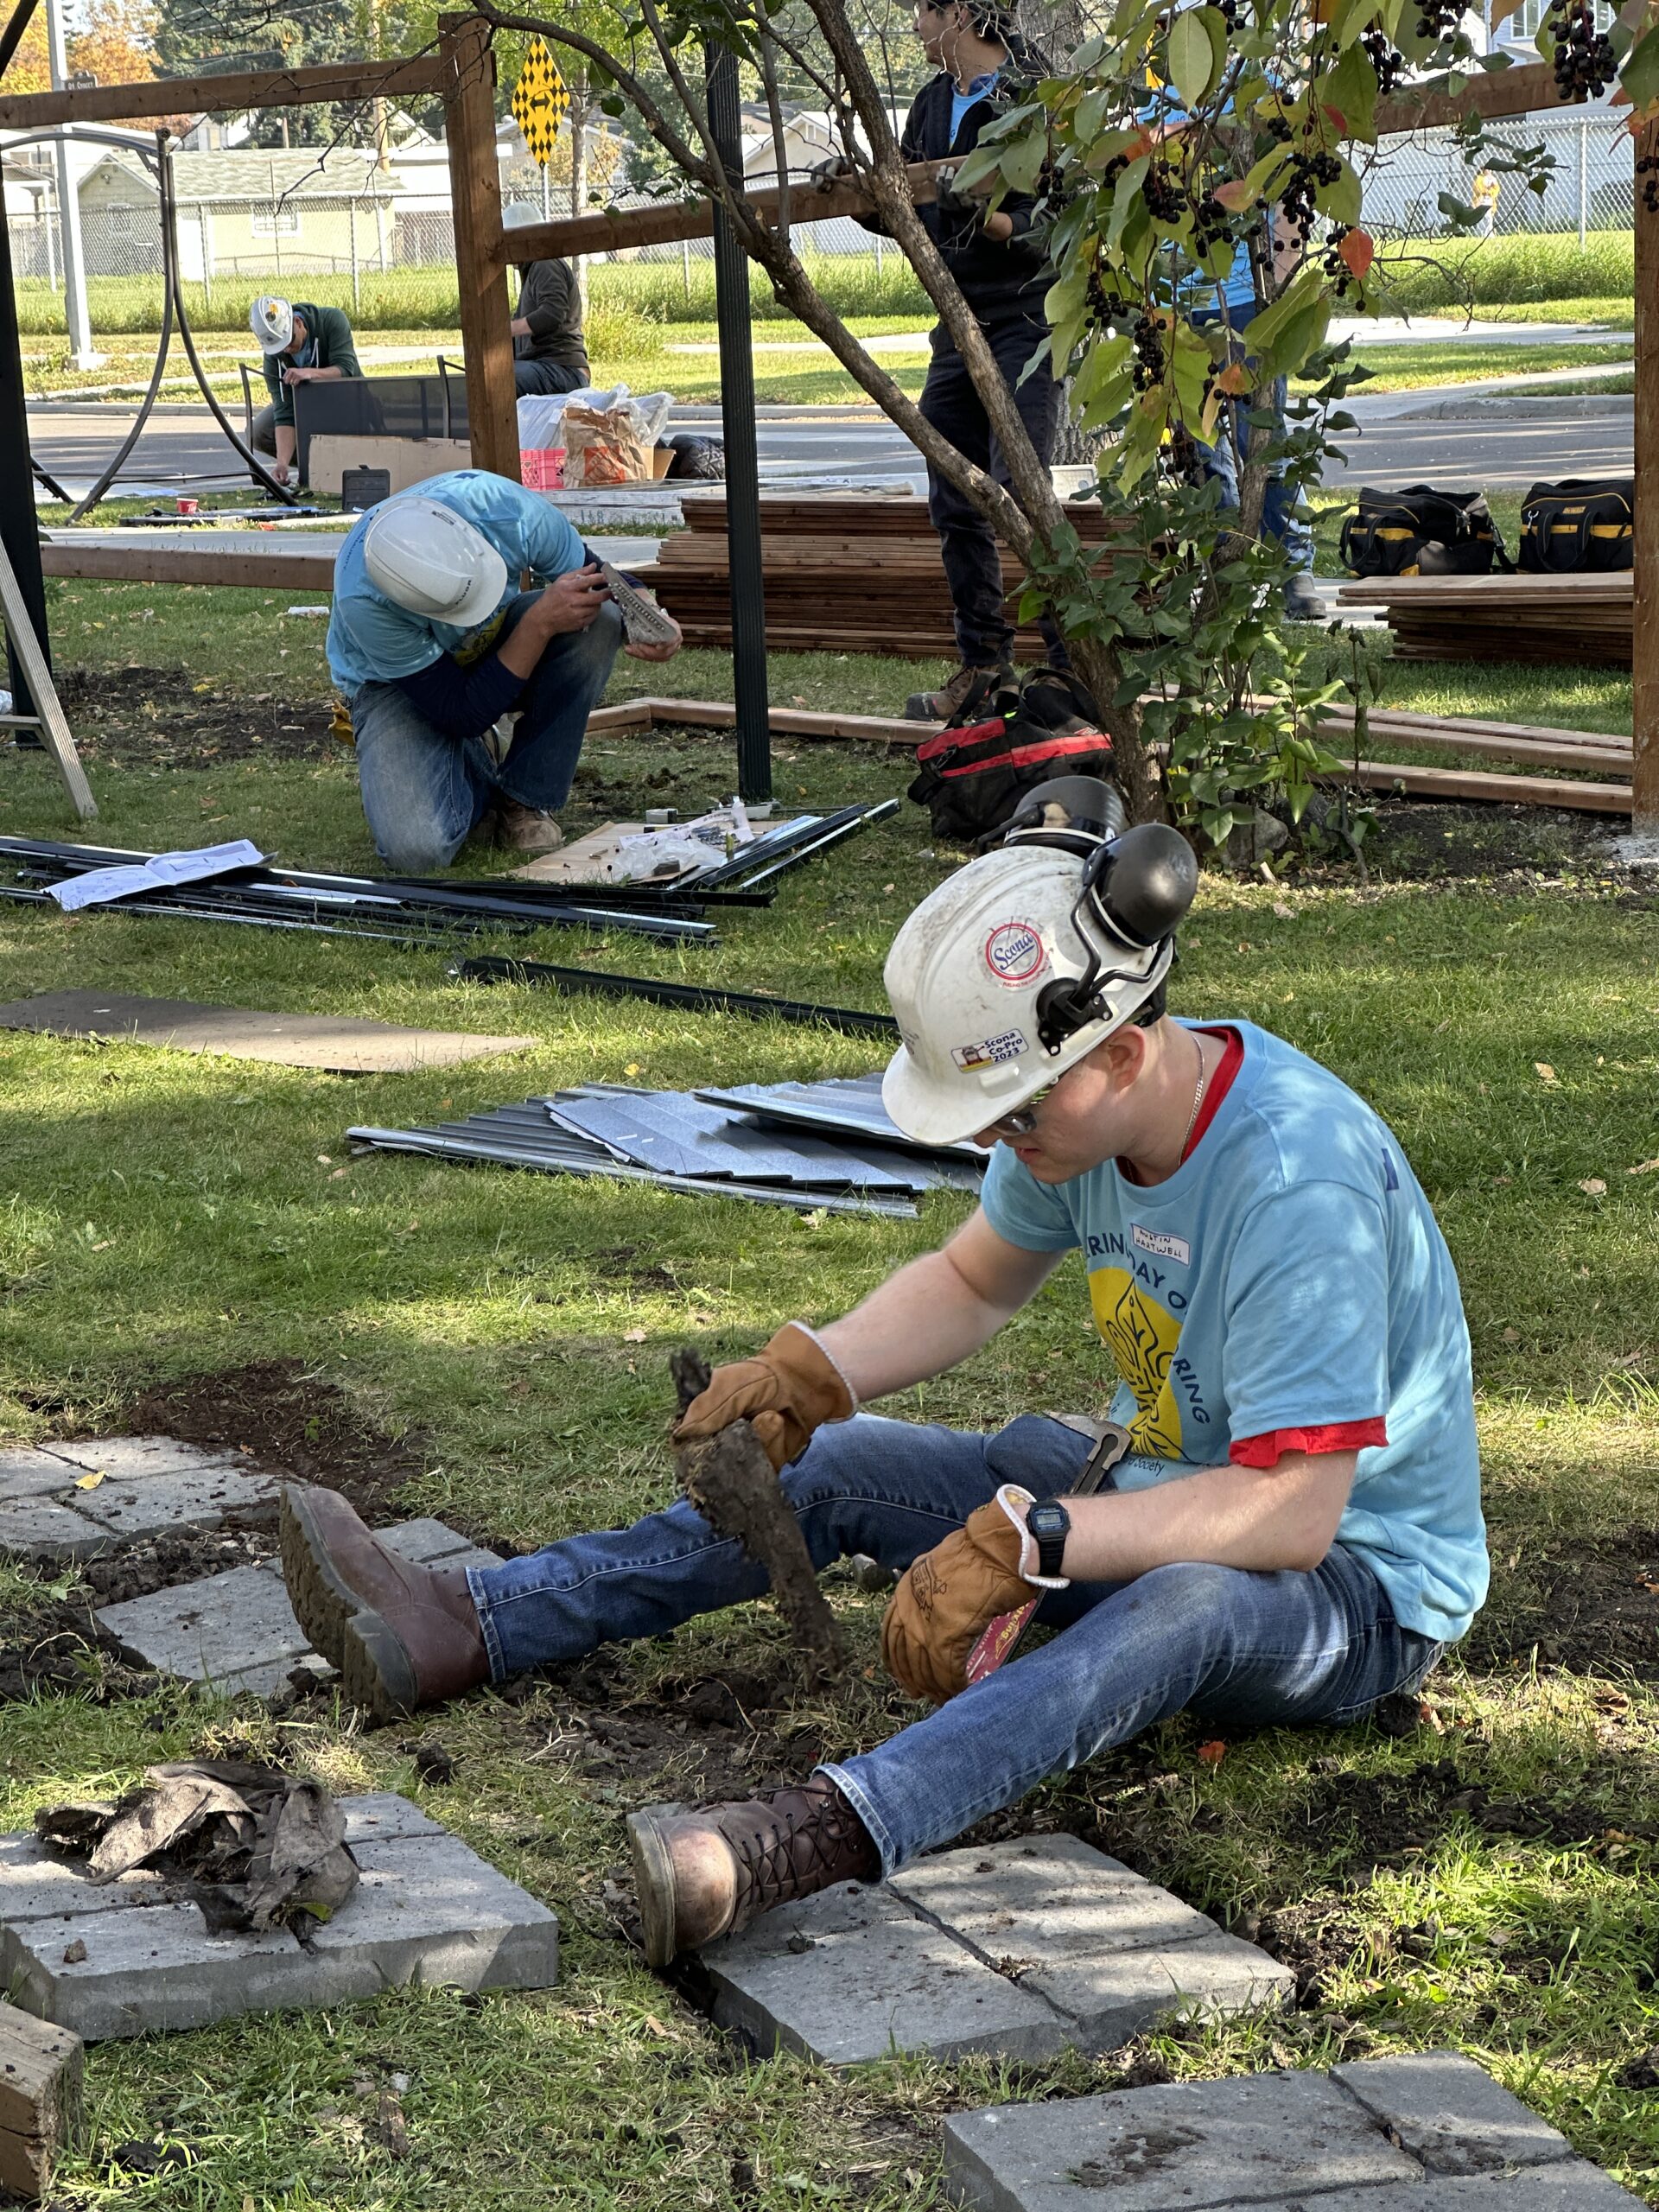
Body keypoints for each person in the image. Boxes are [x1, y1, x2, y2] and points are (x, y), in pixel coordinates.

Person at [277, 773, 1487, 1971]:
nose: (988, 1139)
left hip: (1350, 1586)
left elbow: (1289, 1512)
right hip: (1164, 1486)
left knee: (1190, 1606)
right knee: (847, 1464)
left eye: (1009, 1116)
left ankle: (815, 1835)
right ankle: (469, 1626)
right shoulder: (1075, 1121)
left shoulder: (1294, 1183)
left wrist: (1039, 1542)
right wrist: (814, 1372)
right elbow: (973, 1281)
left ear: (1117, 1053)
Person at [325, 468, 683, 870]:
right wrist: (540, 623)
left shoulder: (504, 510)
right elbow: (459, 712)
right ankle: (477, 765)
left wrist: (646, 609)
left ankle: (525, 800)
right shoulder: (365, 598)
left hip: (493, 643)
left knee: (596, 618)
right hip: (399, 687)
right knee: (417, 851)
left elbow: (601, 577)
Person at [880, 0, 1065, 722]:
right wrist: (866, 193)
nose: (917, 28)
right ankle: (984, 667)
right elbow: (911, 203)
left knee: (1022, 488)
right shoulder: (930, 104)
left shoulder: (1034, 93)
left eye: (923, 12)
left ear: (960, 12)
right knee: (953, 492)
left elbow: (1061, 216)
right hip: (959, 325)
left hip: (1023, 318)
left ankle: (1065, 672)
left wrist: (995, 224)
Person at [248, 295, 363, 488]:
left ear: (299, 323)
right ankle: (317, 468)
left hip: (349, 405)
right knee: (259, 430)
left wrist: (310, 373)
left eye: (290, 342)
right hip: (306, 412)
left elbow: (346, 370)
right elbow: (284, 411)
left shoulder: (332, 320)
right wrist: (282, 464)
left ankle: (344, 465)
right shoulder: (275, 358)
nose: (288, 351)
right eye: (280, 348)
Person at [504, 205, 592, 397]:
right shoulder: (532, 269)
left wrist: (508, 328)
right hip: (545, 367)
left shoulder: (545, 263)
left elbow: (552, 313)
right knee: (494, 375)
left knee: (501, 380)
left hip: (563, 370)